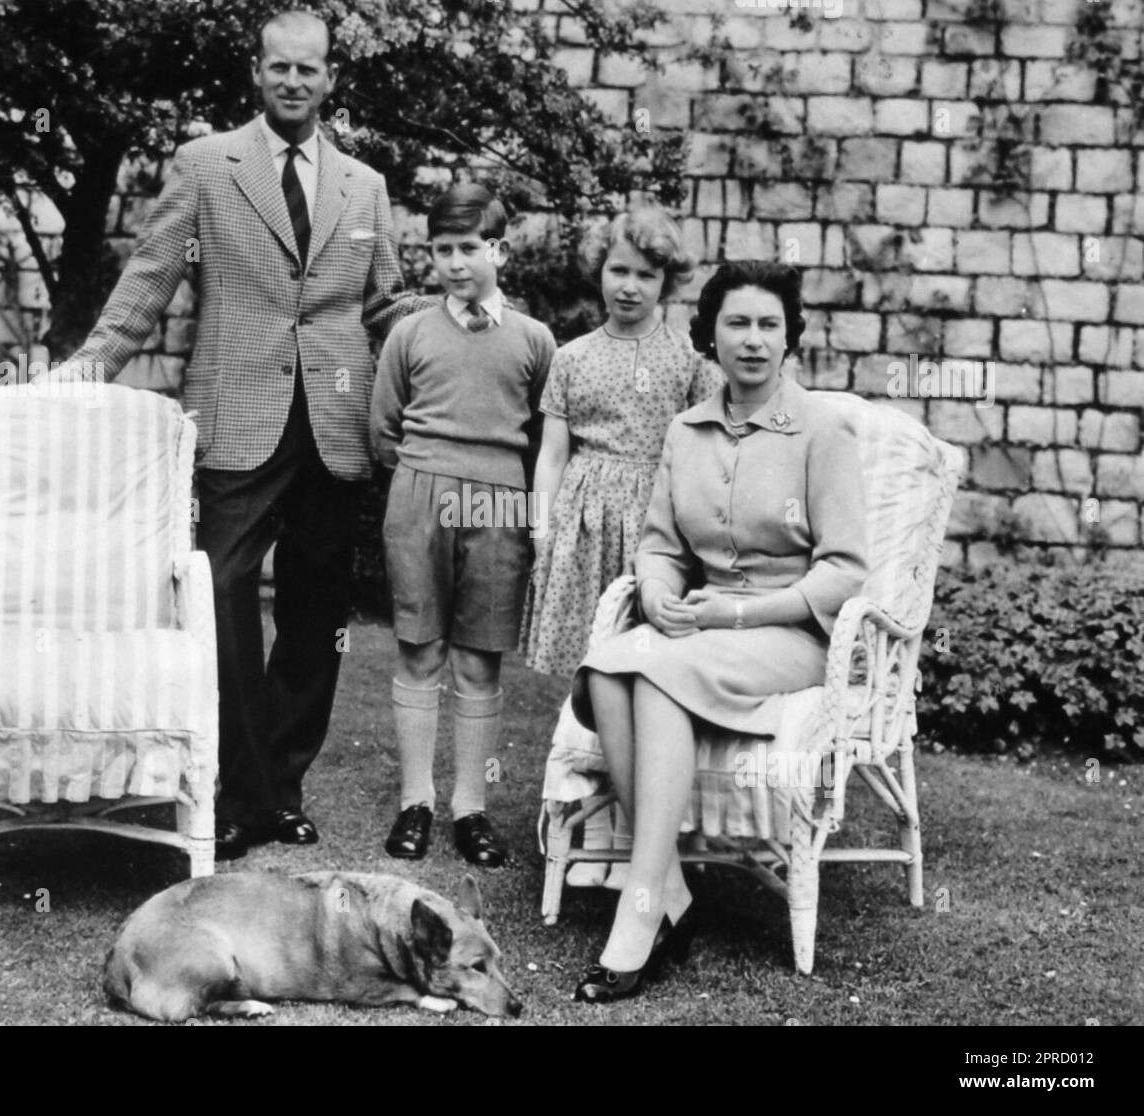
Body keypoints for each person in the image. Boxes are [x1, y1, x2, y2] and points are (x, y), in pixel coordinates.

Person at [56, 10, 429, 858]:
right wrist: (87, 366)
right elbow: (150, 275)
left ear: (331, 78)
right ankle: (238, 790)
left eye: (310, 69)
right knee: (220, 595)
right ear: (256, 74)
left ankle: (278, 790)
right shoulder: (205, 166)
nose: (294, 81)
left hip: (335, 417)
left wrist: (455, 325)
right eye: (279, 68)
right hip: (235, 414)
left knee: (315, 610)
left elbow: (384, 303)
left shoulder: (364, 186)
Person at [568, 261, 868, 1002]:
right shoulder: (687, 430)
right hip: (701, 628)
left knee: (661, 674)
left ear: (791, 337)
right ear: (711, 335)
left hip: (788, 633)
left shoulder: (823, 432)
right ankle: (669, 886)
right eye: (738, 323)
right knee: (609, 666)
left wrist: (736, 612)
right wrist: (663, 593)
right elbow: (660, 544)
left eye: (770, 325)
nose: (754, 340)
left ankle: (639, 916)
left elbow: (843, 571)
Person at [521, 207, 719, 887]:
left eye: (645, 274)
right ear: (598, 273)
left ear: (667, 281)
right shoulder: (571, 357)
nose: (629, 286)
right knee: (589, 676)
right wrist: (541, 527)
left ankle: (643, 831)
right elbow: (550, 455)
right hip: (584, 522)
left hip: (655, 529)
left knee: (643, 673)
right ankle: (585, 824)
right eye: (618, 271)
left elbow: (706, 450)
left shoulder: (689, 364)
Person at [370, 183, 555, 867]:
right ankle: (415, 800)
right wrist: (428, 476)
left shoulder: (534, 339)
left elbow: (546, 436)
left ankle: (470, 806)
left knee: (478, 656)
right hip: (420, 490)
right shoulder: (411, 331)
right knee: (420, 648)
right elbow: (383, 428)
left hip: (501, 500)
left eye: (469, 248)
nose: (454, 262)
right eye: (442, 249)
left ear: (498, 250)